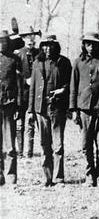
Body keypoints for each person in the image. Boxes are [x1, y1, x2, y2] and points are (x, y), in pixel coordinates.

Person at [69, 32, 99, 187]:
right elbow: (73, 86)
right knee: (86, 144)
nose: (91, 47)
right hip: (84, 108)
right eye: (88, 44)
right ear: (84, 45)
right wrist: (73, 110)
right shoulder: (78, 62)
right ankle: (89, 175)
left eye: (94, 44)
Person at [27, 35, 71, 186]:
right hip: (41, 108)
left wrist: (62, 91)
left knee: (58, 145)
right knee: (44, 144)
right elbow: (32, 88)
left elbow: (70, 83)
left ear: (55, 46)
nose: (47, 48)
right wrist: (30, 110)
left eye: (50, 45)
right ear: (41, 47)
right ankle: (47, 177)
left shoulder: (63, 62)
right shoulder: (37, 62)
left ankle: (58, 177)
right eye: (44, 45)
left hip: (57, 107)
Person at [0, 30, 23, 186]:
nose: (1, 44)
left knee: (10, 144)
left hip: (9, 105)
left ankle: (11, 176)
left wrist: (19, 106)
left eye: (4, 41)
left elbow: (20, 84)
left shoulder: (14, 59)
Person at [15, 26, 40, 159]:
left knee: (31, 122)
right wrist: (25, 80)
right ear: (23, 38)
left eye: (32, 36)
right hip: (21, 93)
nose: (30, 39)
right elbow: (14, 74)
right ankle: (20, 152)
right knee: (20, 124)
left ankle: (29, 152)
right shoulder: (18, 54)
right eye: (27, 36)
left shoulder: (39, 53)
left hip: (35, 94)